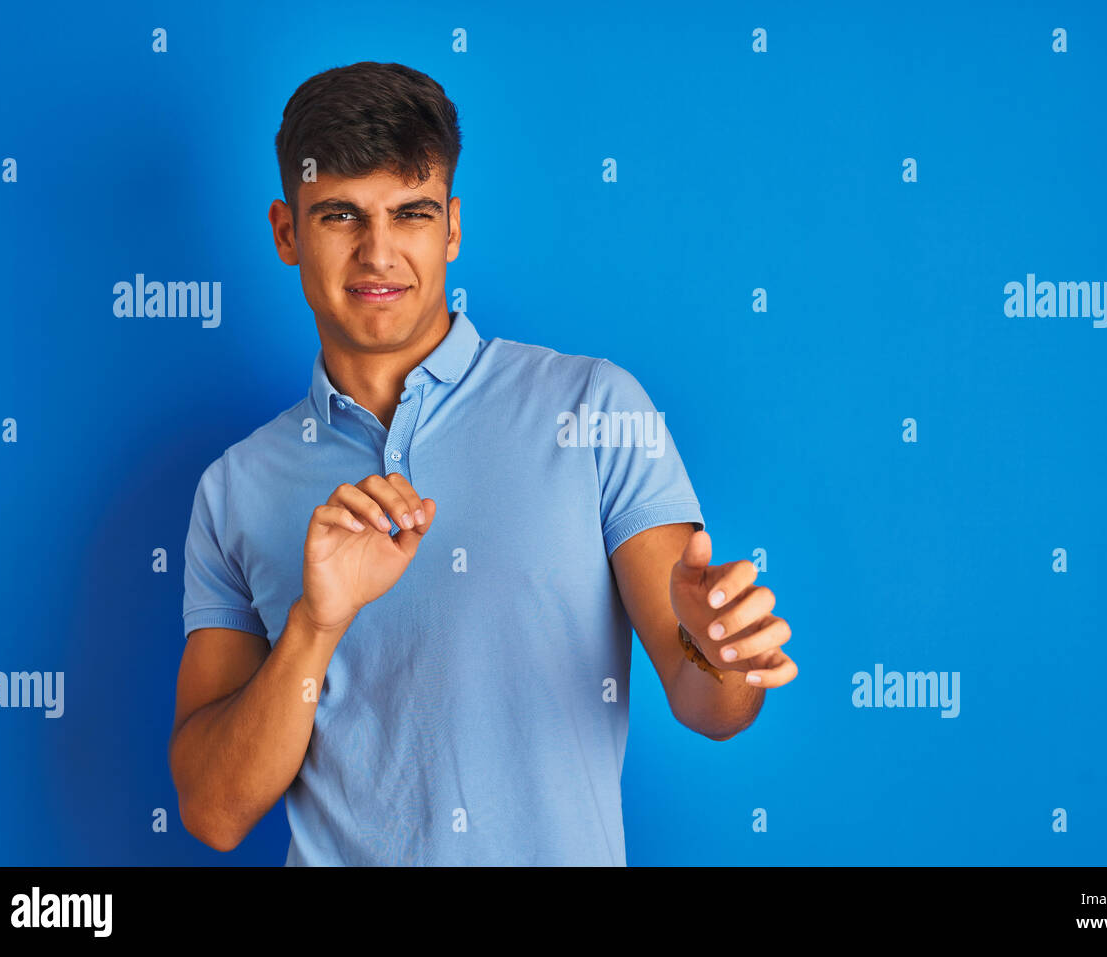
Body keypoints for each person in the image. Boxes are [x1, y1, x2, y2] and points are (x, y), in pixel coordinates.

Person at [168, 60, 798, 866]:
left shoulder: (595, 408)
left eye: (412, 213)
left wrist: (720, 650)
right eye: (340, 216)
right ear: (287, 232)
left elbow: (710, 703)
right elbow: (214, 811)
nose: (379, 252)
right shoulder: (234, 488)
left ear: (452, 228)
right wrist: (315, 626)